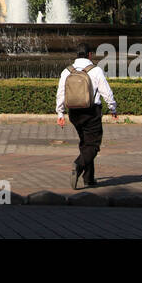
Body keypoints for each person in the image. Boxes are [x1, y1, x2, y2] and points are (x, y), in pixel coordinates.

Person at [55, 44, 118, 188]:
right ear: (90, 54)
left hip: (74, 113)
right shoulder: (95, 70)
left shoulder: (67, 71)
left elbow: (61, 93)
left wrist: (60, 113)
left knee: (86, 144)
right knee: (93, 145)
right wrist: (112, 108)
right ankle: (78, 165)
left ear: (77, 55)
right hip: (91, 112)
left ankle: (89, 179)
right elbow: (106, 92)